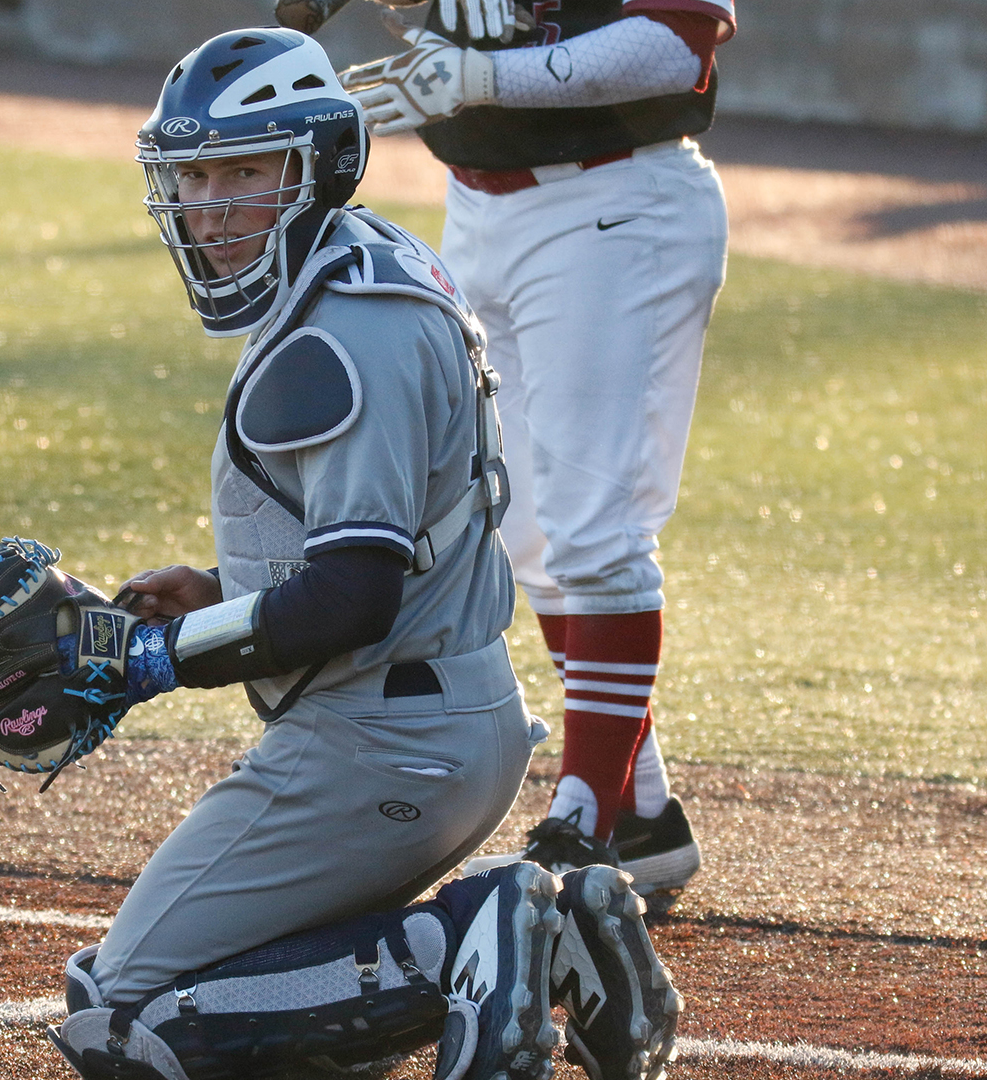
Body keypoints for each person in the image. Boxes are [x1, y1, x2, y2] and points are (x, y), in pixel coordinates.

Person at [44, 27, 679, 1080]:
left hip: (378, 749)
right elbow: (385, 525)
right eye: (192, 177)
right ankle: (563, 936)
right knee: (244, 987)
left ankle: (463, 944)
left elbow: (352, 596)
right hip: (449, 718)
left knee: (127, 1013)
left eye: (245, 171)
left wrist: (150, 662)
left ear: (319, 163)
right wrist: (218, 592)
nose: (209, 208)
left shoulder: (327, 338)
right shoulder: (370, 262)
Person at [337, 0, 732, 901]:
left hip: (616, 199)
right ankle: (639, 811)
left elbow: (676, 47)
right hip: (480, 201)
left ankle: (584, 825)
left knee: (598, 531)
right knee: (518, 530)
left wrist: (482, 78)